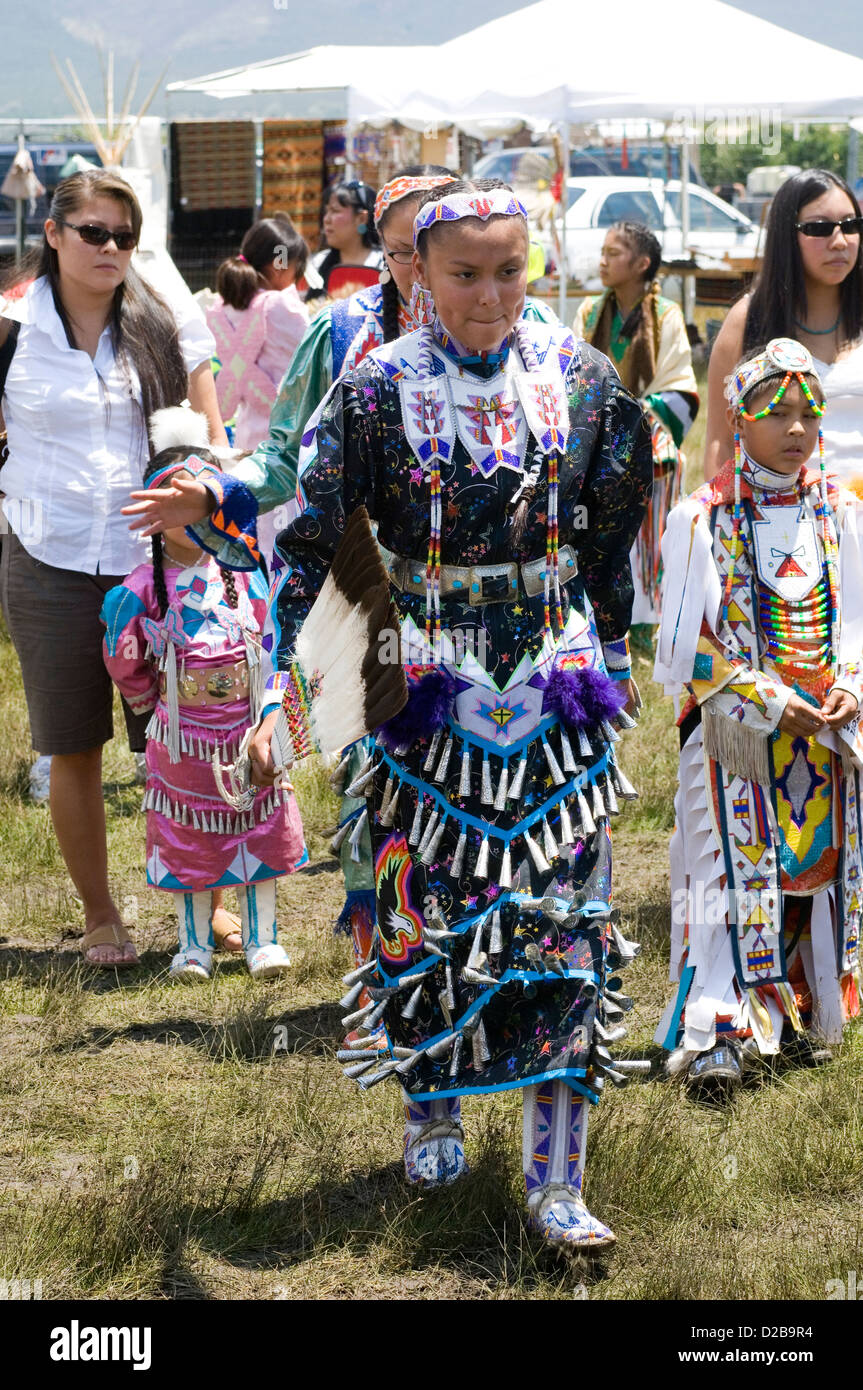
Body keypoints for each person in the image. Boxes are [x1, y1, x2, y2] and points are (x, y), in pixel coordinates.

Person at [251, 178, 652, 1251]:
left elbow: (611, 519)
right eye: (463, 272)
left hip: (554, 683)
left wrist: (609, 644)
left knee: (565, 927)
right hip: (422, 682)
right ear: (416, 272)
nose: (488, 293)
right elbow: (316, 538)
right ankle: (429, 1105)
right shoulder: (375, 388)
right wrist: (291, 689)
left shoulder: (579, 378)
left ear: (535, 264)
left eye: (508, 269)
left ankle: (554, 1182)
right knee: (424, 909)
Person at [0, 168, 223, 968]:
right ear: (54, 234)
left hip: (157, 565)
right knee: (74, 745)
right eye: (93, 232)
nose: (110, 249)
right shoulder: (12, 329)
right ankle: (101, 915)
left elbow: (204, 439)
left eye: (123, 236)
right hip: (46, 557)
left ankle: (209, 906)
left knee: (191, 738)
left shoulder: (161, 325)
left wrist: (203, 526)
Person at [654, 339, 863, 1098]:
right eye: (776, 412)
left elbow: (857, 619)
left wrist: (850, 684)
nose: (796, 428)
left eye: (808, 412)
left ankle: (803, 1012)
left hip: (828, 731)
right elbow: (684, 653)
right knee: (723, 877)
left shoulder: (841, 508)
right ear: (738, 420)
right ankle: (718, 1030)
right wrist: (772, 703)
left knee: (815, 871)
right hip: (737, 737)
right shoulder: (699, 517)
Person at [100, 409, 306, 980]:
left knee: (257, 828)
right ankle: (194, 946)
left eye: (197, 497)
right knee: (190, 837)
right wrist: (154, 710)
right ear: (152, 513)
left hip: (247, 729)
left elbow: (273, 642)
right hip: (184, 736)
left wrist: (269, 710)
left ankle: (263, 940)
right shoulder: (140, 590)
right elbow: (124, 661)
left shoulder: (244, 575)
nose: (185, 511)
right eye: (171, 498)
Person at [704, 169, 863, 488]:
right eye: (819, 228)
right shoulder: (749, 318)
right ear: (787, 236)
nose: (839, 241)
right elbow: (720, 442)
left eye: (851, 225)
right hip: (783, 525)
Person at [574, 222, 698, 629]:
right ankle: (594, 608)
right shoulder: (590, 312)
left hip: (647, 443)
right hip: (596, 441)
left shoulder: (666, 316)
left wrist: (631, 421)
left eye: (614, 252)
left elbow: (678, 386)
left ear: (642, 263)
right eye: (603, 251)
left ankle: (646, 615)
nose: (603, 260)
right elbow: (574, 377)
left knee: (647, 519)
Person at [206, 217, 310, 562]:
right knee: (288, 533)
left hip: (247, 433)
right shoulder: (281, 305)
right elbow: (312, 351)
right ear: (282, 265)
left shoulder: (220, 308)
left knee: (257, 527)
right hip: (288, 435)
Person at [306, 180, 382, 301]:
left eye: (335, 211)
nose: (326, 219)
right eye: (326, 212)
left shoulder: (383, 264)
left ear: (362, 218)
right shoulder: (318, 262)